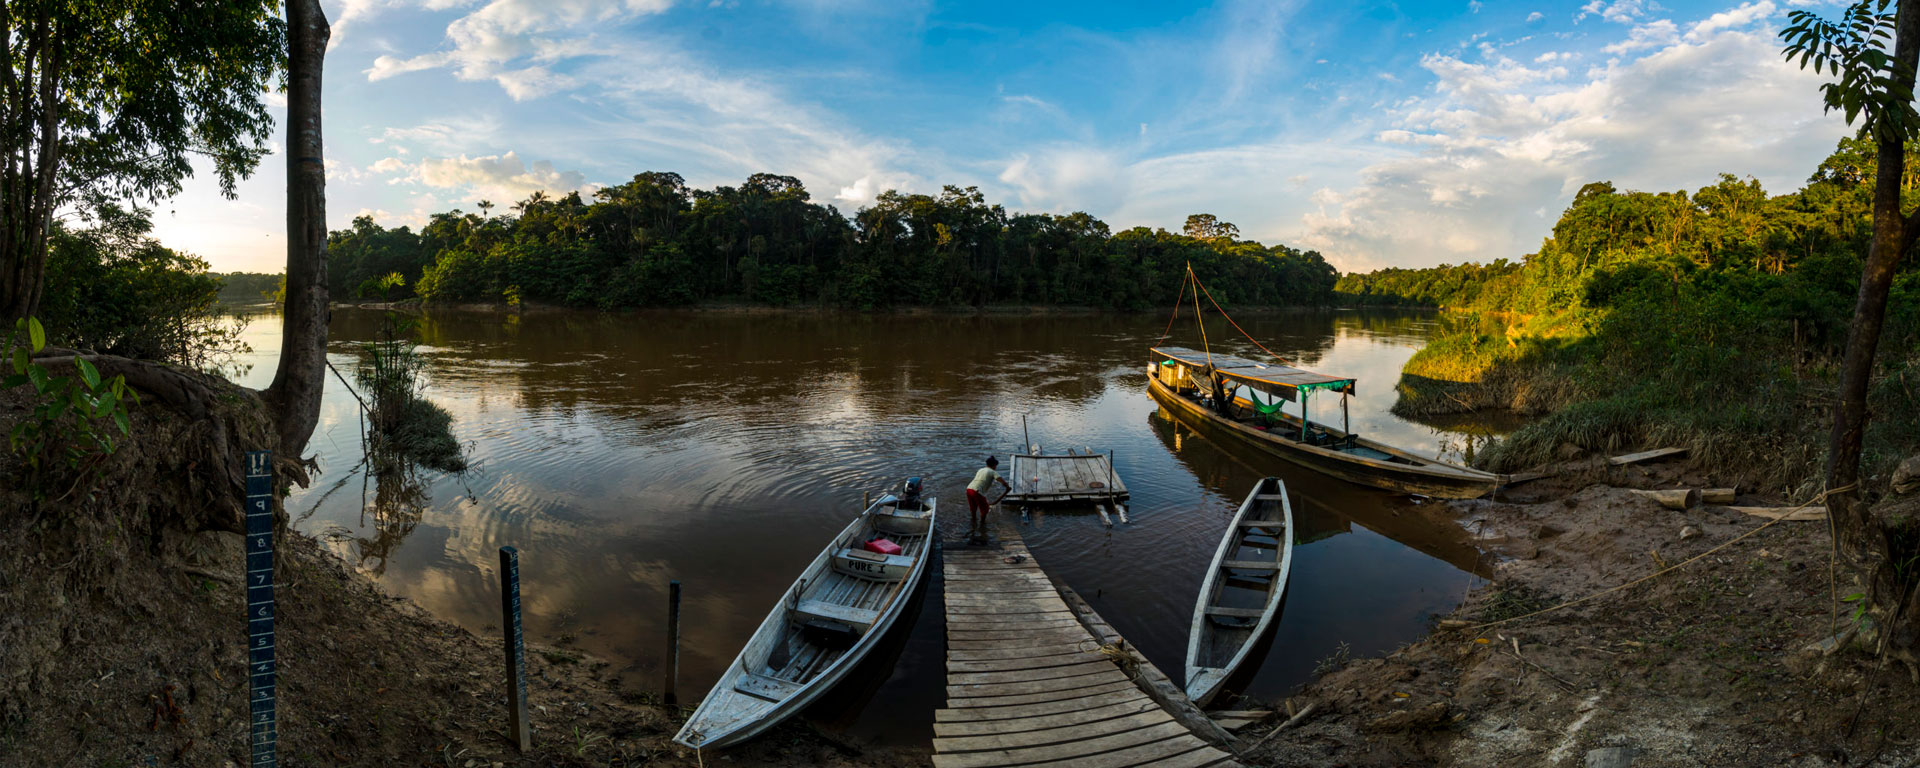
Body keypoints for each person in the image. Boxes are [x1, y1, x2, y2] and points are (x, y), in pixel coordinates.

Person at [966, 455, 1011, 538]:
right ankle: (982, 525)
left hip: (969, 489)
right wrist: (1007, 487)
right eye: (996, 466)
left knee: (973, 508)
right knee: (985, 509)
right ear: (994, 465)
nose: (996, 467)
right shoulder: (992, 472)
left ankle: (973, 522)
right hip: (977, 491)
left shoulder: (981, 470)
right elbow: (1001, 481)